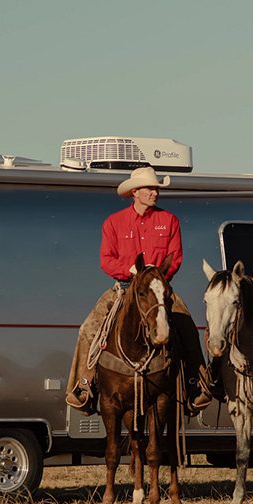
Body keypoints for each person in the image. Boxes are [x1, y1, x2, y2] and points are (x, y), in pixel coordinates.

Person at [66, 166, 217, 414]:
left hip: (158, 289)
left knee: (187, 326)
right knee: (88, 329)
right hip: (124, 288)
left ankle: (195, 385)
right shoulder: (114, 223)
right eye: (149, 188)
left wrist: (155, 278)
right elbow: (107, 259)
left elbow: (175, 257)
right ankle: (84, 386)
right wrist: (130, 272)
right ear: (135, 192)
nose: (155, 192)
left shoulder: (169, 220)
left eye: (156, 188)